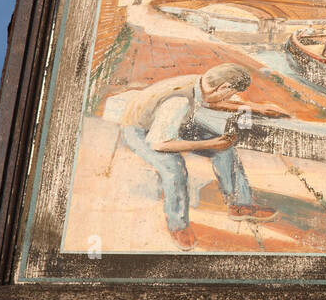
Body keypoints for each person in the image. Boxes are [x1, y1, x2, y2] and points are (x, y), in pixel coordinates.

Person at [119, 63, 289, 250]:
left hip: (169, 122)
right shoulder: (179, 101)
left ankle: (240, 205)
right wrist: (210, 144)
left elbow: (211, 101)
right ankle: (178, 225)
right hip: (141, 130)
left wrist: (257, 108)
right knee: (174, 169)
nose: (231, 98)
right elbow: (159, 144)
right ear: (223, 87)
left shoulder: (204, 82)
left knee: (225, 149)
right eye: (231, 93)